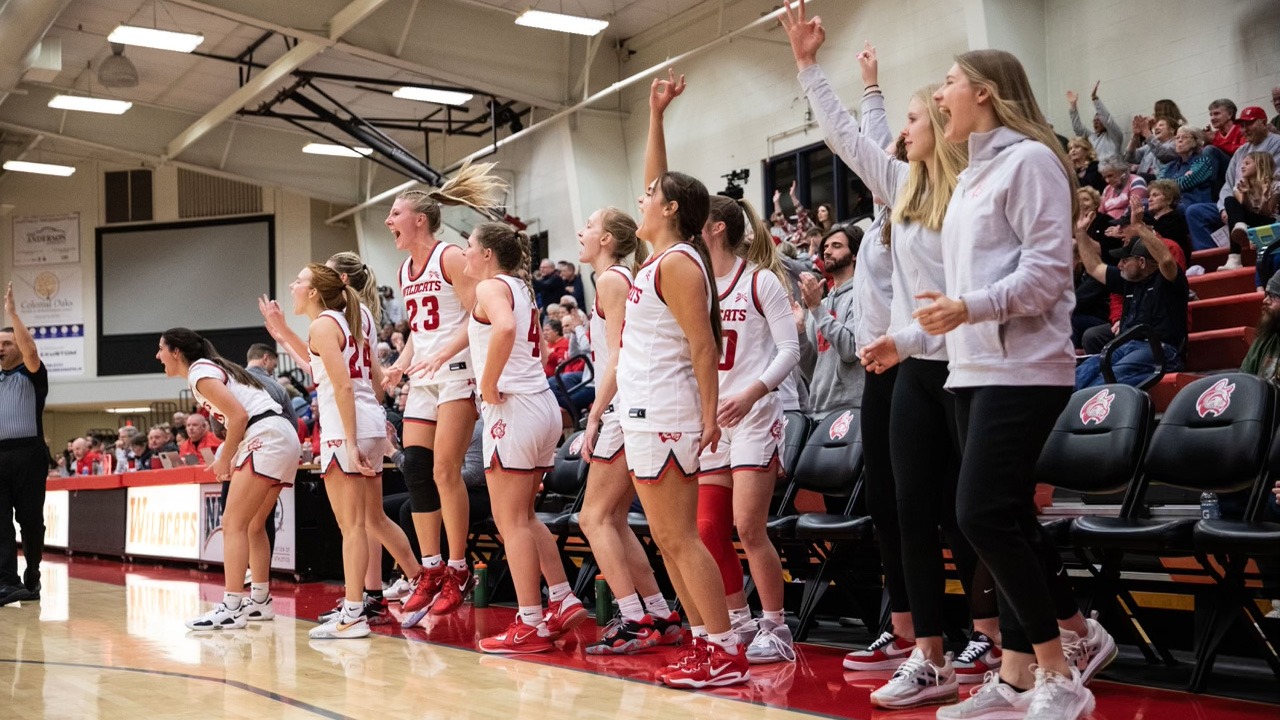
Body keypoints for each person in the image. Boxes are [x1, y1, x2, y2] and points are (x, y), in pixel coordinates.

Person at [789, 28, 998, 701]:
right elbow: (851, 137)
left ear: (939, 126)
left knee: (969, 511)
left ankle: (999, 644)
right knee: (905, 509)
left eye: (914, 118)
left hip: (964, 368)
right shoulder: (901, 189)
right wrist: (809, 67)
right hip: (909, 365)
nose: (901, 130)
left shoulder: (969, 193)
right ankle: (926, 651)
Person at [920, 44, 1114, 719]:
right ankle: (1020, 675)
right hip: (970, 369)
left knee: (980, 514)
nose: (939, 95)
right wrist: (911, 338)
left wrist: (969, 308)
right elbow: (963, 293)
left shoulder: (1032, 162)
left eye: (947, 84)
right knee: (999, 519)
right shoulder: (972, 176)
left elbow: (1044, 277)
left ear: (986, 92)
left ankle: (1061, 675)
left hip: (1025, 367)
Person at [616, 68, 747, 689]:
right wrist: (656, 117)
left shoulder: (680, 264)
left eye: (650, 196)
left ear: (671, 209)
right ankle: (704, 642)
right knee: (668, 540)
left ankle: (724, 649)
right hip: (643, 410)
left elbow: (705, 346)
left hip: (669, 412)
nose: (639, 198)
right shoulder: (661, 254)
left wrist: (709, 418)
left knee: (680, 537)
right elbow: (654, 178)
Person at [419, 221, 586, 654]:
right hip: (542, 406)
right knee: (526, 517)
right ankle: (563, 599)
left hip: (512, 409)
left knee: (509, 521)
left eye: (470, 246)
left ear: (488, 254)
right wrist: (443, 352)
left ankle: (530, 620)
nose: (465, 252)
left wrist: (489, 381)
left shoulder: (492, 288)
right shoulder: (520, 287)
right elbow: (543, 351)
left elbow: (506, 329)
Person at [380, 163, 506, 625]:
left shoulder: (450, 256)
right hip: (425, 376)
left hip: (457, 373)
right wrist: (400, 363)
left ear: (419, 219)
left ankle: (457, 569)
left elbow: (477, 312)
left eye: (395, 212)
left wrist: (442, 354)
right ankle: (429, 570)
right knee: (415, 469)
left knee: (444, 470)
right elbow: (418, 327)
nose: (389, 220)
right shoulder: (404, 268)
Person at [289, 263, 423, 639]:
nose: (293, 285)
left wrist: (348, 441)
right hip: (367, 420)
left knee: (352, 527)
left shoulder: (323, 325)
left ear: (315, 292)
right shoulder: (349, 318)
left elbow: (343, 387)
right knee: (366, 522)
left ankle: (353, 612)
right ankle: (382, 594)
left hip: (348, 426)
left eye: (299, 281)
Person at [694, 191, 801, 665]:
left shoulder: (760, 282)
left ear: (716, 227)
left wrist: (752, 392)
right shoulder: (694, 284)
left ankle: (776, 625)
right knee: (708, 526)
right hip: (715, 418)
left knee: (748, 527)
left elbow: (790, 351)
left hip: (755, 413)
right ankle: (736, 619)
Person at [575, 206, 682, 655]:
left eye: (589, 226)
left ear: (606, 239)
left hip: (625, 406)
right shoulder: (617, 278)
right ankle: (657, 613)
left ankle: (636, 618)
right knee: (612, 518)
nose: (581, 232)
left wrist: (595, 414)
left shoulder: (613, 280)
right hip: (629, 405)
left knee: (592, 518)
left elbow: (619, 355)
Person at [158, 329, 300, 630]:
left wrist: (224, 458)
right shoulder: (213, 368)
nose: (157, 356)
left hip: (266, 435)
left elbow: (238, 417)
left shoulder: (199, 372)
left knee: (232, 523)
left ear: (176, 352)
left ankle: (232, 605)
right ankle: (260, 601)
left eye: (161, 349)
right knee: (253, 524)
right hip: (281, 434)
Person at [1075, 200, 1188, 389]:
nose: (1119, 265)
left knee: (1105, 380)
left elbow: (1166, 260)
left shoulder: (1167, 281)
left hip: (1161, 349)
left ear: (1142, 262)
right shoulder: (1128, 280)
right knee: (1080, 376)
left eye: (1125, 260)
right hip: (1125, 346)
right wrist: (1080, 234)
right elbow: (1095, 267)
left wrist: (1138, 226)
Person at [0, 284, 49, 607]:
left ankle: (32, 571)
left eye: (6, 343)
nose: (1, 348)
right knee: (0, 520)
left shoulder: (32, 374)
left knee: (29, 518)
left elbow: (31, 352)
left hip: (28, 454)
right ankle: (7, 581)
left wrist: (13, 315)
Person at [1186, 107, 1280, 259]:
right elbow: (1228, 185)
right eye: (1242, 125)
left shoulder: (1277, 143)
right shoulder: (1241, 151)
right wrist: (1223, 209)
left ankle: (1235, 254)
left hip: (1260, 208)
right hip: (1235, 205)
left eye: (1249, 124)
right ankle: (1211, 261)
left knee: (1235, 205)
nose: (1244, 129)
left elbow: (1273, 180)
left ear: (1263, 122)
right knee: (1195, 212)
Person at [797, 225, 866, 416]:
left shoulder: (862, 296)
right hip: (818, 408)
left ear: (854, 254)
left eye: (836, 246)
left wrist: (817, 309)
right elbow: (811, 370)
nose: (827, 251)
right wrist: (800, 333)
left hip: (853, 408)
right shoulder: (820, 303)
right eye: (825, 247)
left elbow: (850, 350)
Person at [1158, 125, 1214, 207]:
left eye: (1184, 137)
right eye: (1177, 138)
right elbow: (1158, 186)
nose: (1180, 140)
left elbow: (1186, 182)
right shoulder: (1168, 166)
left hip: (1193, 204)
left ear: (1196, 141)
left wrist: (1166, 184)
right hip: (1172, 203)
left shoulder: (1203, 161)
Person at [1068, 82, 1124, 161]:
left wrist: (1095, 98)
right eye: (1094, 121)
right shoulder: (1091, 137)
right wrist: (1073, 106)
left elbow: (1108, 120)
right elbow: (1078, 129)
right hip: (1096, 171)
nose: (1095, 122)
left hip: (1114, 170)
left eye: (1098, 120)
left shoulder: (1114, 136)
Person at [1242, 270, 1280, 383]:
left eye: (1272, 296)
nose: (1265, 300)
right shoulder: (1263, 340)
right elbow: (1245, 384)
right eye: (1266, 294)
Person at [1098, 156, 1148, 220]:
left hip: (1127, 224)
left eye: (1110, 175)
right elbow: (1100, 212)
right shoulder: (1107, 189)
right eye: (1104, 177)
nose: (1107, 181)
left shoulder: (1136, 181)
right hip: (1108, 225)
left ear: (1123, 172)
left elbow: (1135, 209)